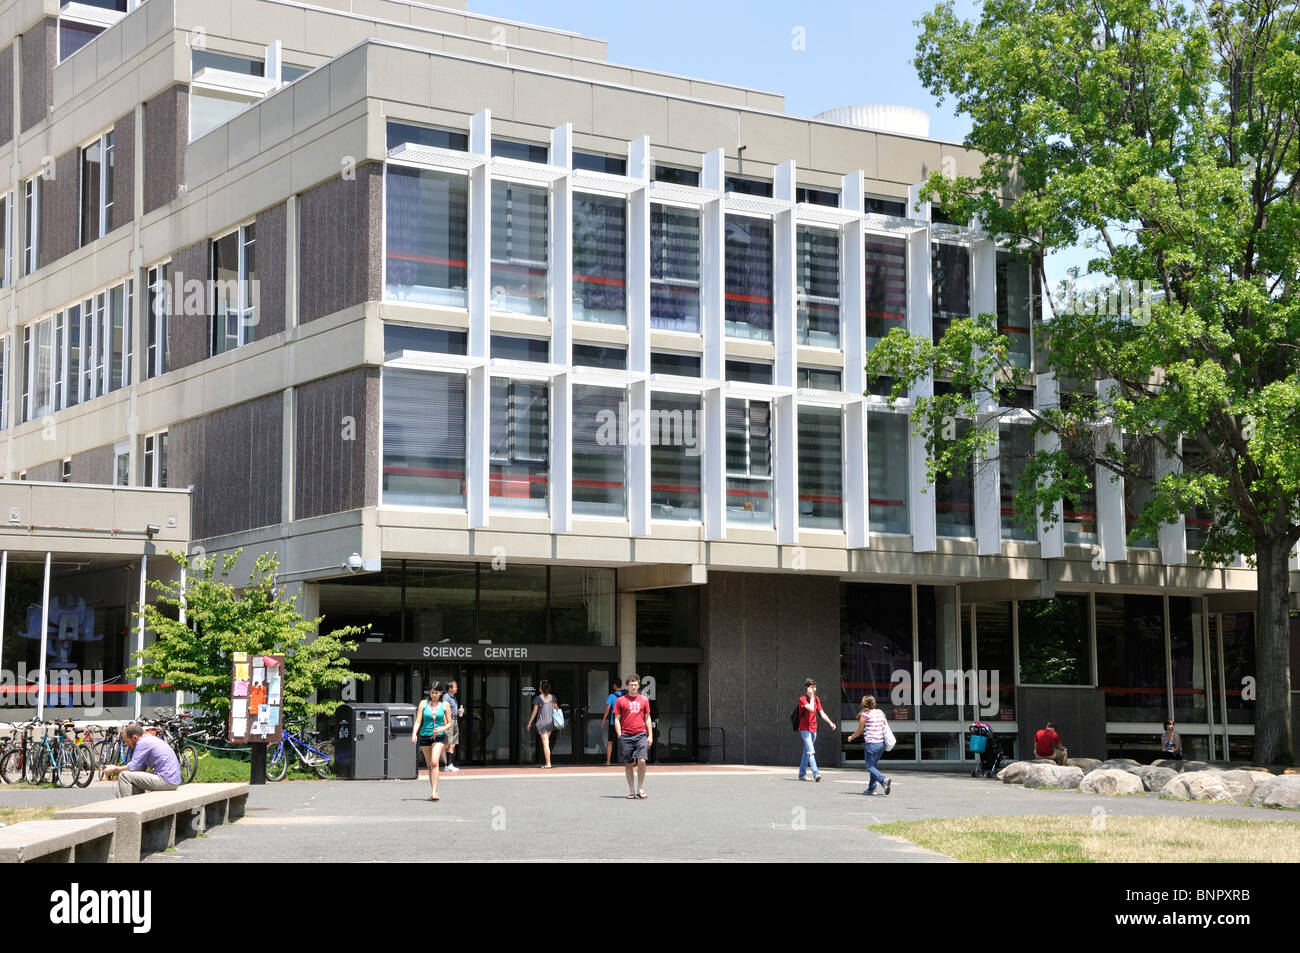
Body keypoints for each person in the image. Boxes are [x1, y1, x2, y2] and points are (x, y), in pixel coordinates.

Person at [102, 723, 182, 798]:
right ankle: (138, 804)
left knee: (124, 776)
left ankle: (125, 807)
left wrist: (115, 769)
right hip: (173, 780)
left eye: (127, 741)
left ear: (134, 738)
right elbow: (139, 768)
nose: (127, 744)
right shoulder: (148, 739)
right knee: (134, 776)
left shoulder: (142, 743)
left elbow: (132, 767)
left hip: (166, 781)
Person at [411, 683, 452, 800]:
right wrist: (414, 734)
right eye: (432, 692)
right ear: (429, 692)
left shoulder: (445, 705)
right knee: (429, 764)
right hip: (425, 735)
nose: (434, 695)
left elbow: (449, 723)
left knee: (434, 762)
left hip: (439, 736)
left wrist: (442, 728)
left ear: (441, 693)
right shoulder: (423, 704)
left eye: (436, 692)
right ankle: (433, 790)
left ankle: (435, 792)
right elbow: (418, 721)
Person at [614, 674, 653, 798]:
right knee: (629, 763)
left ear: (639, 685)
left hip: (641, 734)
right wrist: (620, 734)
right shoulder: (620, 700)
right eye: (631, 685)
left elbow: (647, 717)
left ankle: (640, 788)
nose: (634, 687)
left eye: (636, 684)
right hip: (626, 735)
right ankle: (631, 790)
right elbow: (616, 718)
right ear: (627, 686)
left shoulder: (644, 700)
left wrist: (650, 735)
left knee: (642, 760)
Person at [846, 695, 892, 795]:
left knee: (869, 766)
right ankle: (872, 788)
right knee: (873, 766)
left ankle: (883, 780)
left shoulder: (865, 715)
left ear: (864, 704)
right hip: (881, 744)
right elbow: (885, 725)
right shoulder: (880, 712)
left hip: (871, 744)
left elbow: (860, 730)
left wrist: (851, 737)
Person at [794, 678, 838, 782]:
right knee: (811, 751)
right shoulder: (802, 699)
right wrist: (812, 697)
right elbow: (811, 709)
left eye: (815, 687)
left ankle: (801, 774)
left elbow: (821, 713)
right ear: (807, 687)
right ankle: (816, 773)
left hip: (814, 729)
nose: (814, 689)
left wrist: (830, 722)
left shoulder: (817, 699)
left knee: (807, 751)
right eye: (812, 687)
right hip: (805, 729)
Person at [526, 679, 558, 768]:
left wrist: (530, 722)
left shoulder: (538, 698)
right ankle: (548, 762)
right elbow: (556, 708)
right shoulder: (553, 697)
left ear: (541, 689)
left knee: (545, 743)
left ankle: (548, 763)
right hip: (550, 722)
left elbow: (534, 712)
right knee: (547, 742)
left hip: (542, 723)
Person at [441, 679, 464, 772]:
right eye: (455, 687)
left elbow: (452, 710)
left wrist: (458, 711)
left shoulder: (453, 697)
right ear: (450, 688)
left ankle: (449, 765)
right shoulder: (446, 697)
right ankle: (434, 755)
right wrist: (446, 722)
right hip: (449, 721)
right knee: (447, 743)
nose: (457, 688)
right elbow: (442, 711)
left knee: (453, 744)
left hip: (455, 720)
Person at [601, 679, 624, 766]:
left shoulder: (612, 696)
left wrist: (603, 719)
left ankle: (608, 761)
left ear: (614, 685)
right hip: (625, 722)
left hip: (613, 722)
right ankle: (630, 760)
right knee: (627, 741)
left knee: (610, 741)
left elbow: (607, 709)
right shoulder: (625, 695)